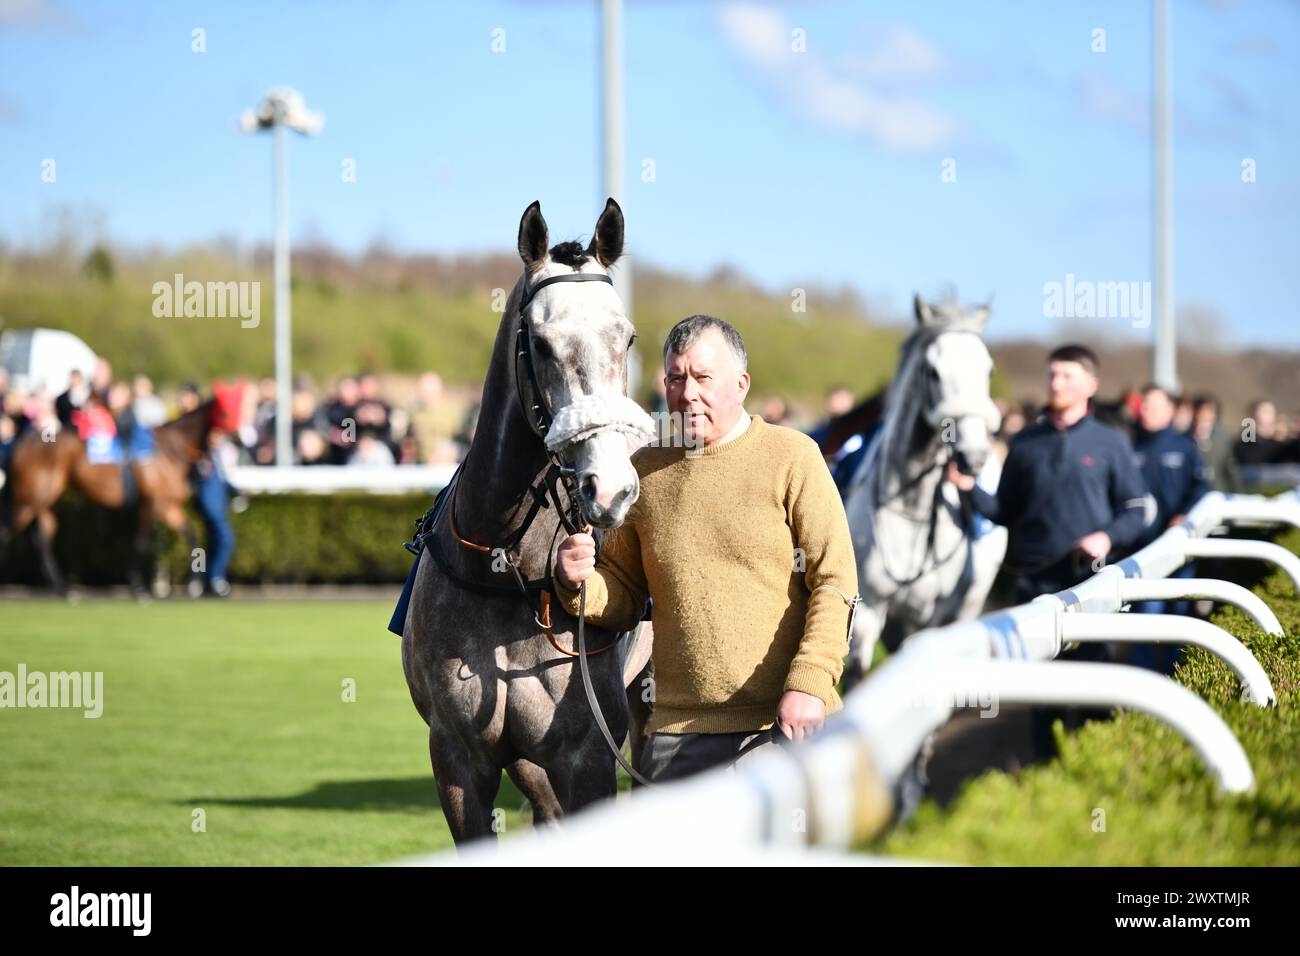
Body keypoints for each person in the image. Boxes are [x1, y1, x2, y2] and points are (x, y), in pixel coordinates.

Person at [553, 315, 859, 783]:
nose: (687, 392)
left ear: (741, 384)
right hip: (676, 737)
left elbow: (834, 582)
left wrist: (810, 684)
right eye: (675, 378)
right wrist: (579, 584)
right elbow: (625, 596)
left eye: (702, 377)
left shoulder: (794, 457)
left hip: (785, 726)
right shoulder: (644, 472)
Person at [945, 344, 1148, 606]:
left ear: (1091, 386)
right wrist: (968, 486)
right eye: (1052, 375)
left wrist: (1107, 538)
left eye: (1067, 376)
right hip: (1032, 584)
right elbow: (1003, 512)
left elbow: (1135, 510)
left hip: (1092, 579)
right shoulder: (1023, 443)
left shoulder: (1112, 442)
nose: (1056, 384)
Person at [191, 381, 247, 598]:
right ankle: (214, 578)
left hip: (216, 503)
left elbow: (223, 479)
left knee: (211, 543)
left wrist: (237, 490)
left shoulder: (216, 454)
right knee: (223, 539)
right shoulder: (203, 456)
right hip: (209, 505)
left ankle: (206, 580)